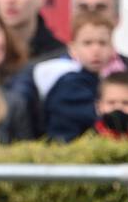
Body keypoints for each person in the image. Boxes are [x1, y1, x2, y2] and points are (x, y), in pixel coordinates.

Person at [35, 10, 114, 142]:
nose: (96, 50)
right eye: (87, 43)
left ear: (112, 48)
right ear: (73, 49)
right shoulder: (69, 84)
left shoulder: (100, 82)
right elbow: (94, 118)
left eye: (102, 43)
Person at [73, 0, 128, 74]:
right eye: (83, 8)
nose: (91, 15)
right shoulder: (52, 73)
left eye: (100, 8)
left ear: (117, 17)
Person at [89, 71, 128, 140]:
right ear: (99, 107)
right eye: (111, 102)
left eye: (126, 103)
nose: (118, 108)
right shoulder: (89, 140)